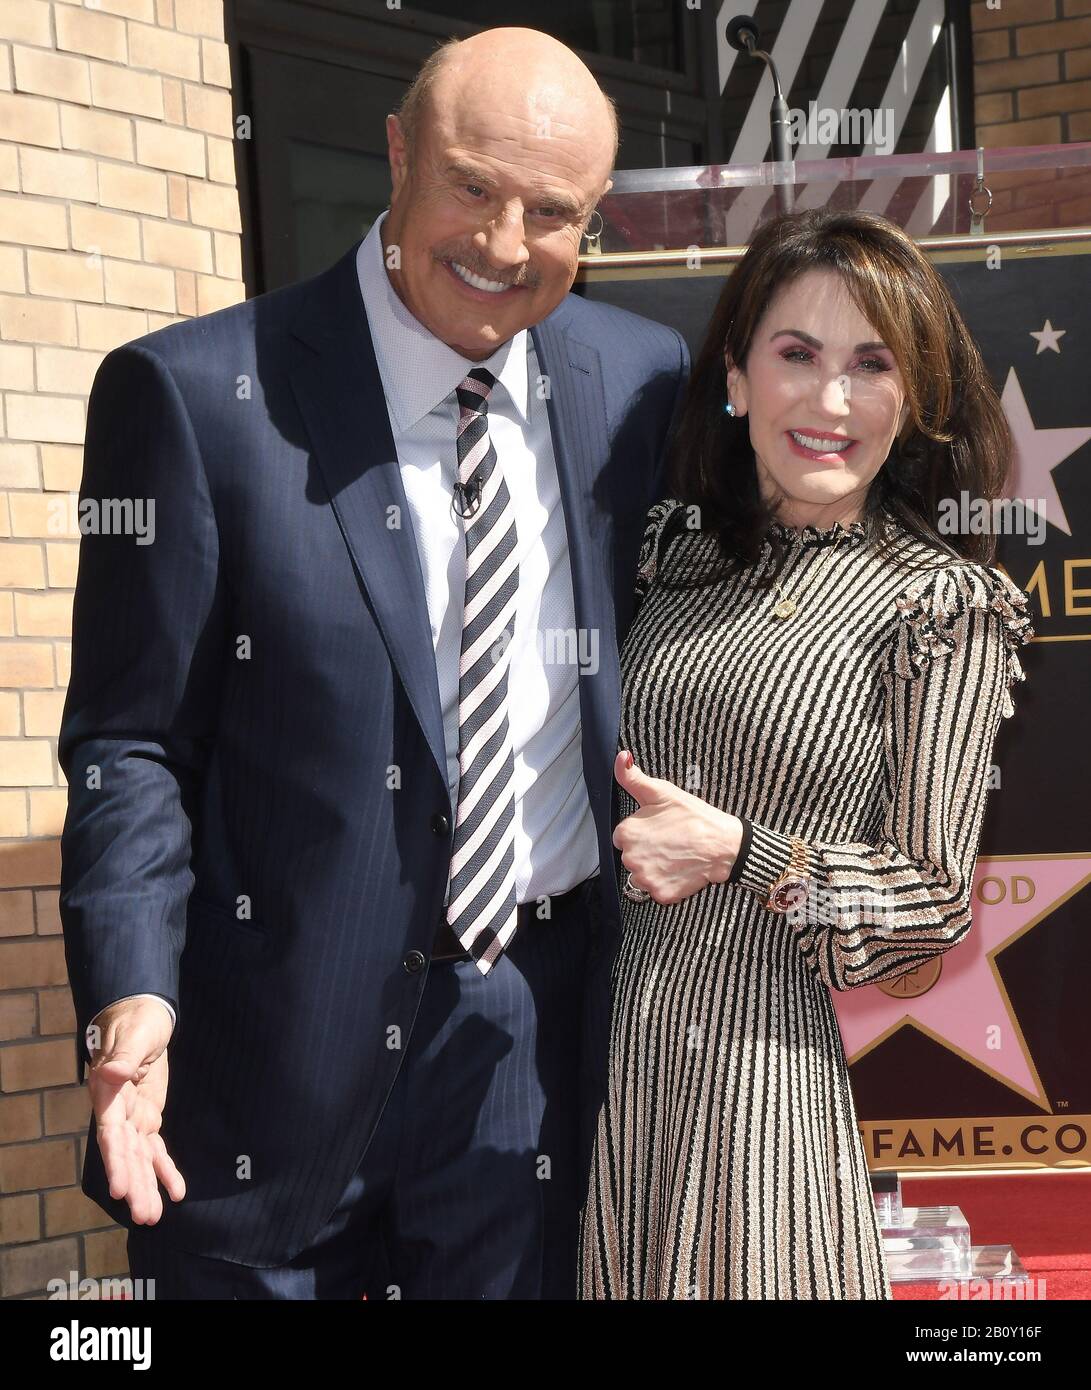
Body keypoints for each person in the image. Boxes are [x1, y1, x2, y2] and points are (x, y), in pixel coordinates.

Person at [58, 27, 689, 1299]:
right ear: (396, 155)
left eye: (553, 212)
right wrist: (131, 995)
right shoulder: (191, 396)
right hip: (260, 1060)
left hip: (530, 1047)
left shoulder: (640, 382)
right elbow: (132, 743)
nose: (505, 245)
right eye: (471, 185)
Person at [578, 208, 1034, 1299]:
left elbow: (928, 901)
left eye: (869, 366)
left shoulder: (938, 605)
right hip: (583, 1066)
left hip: (755, 1090)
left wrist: (739, 850)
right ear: (735, 375)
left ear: (909, 401)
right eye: (796, 354)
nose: (829, 401)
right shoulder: (661, 553)